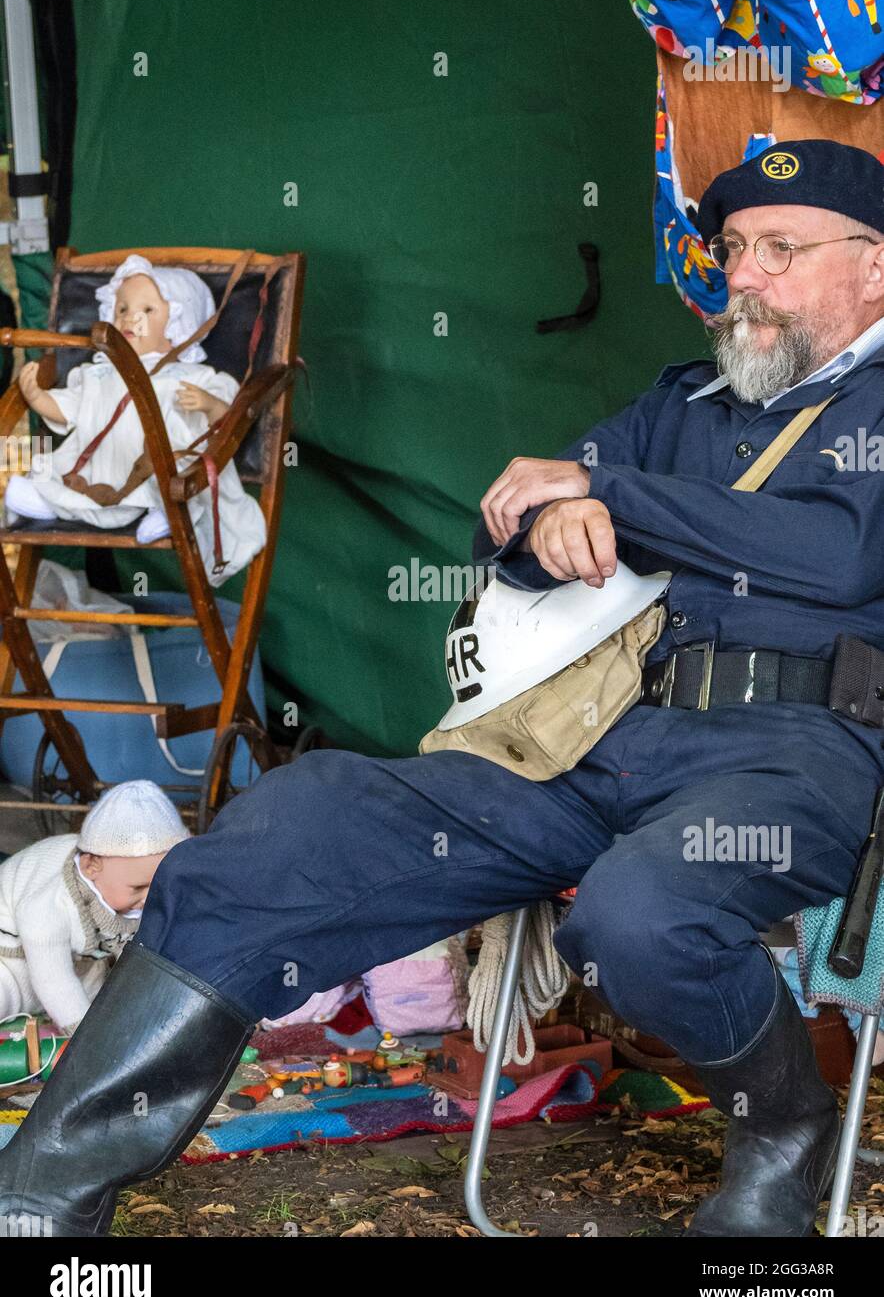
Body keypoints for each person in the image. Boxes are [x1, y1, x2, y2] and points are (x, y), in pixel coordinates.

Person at [1, 138, 883, 1238]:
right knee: (285, 828)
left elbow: (836, 554)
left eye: (778, 251)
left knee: (642, 916)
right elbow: (509, 513)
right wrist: (549, 522)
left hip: (787, 750)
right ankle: (38, 1197)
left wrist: (609, 492)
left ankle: (785, 1127)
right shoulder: (682, 403)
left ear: (872, 270)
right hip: (584, 738)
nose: (740, 276)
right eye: (735, 248)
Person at [3, 253, 267, 587]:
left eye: (147, 311)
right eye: (122, 309)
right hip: (100, 465)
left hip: (157, 470)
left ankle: (167, 511)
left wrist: (208, 403)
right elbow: (71, 409)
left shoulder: (191, 375)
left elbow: (229, 419)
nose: (130, 319)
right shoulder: (100, 372)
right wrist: (40, 399)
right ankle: (48, 499)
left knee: (172, 461)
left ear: (178, 325)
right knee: (53, 468)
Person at [0, 780, 189, 1034]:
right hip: (12, 957)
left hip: (79, 958)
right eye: (137, 888)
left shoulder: (122, 888)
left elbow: (139, 953)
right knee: (14, 994)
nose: (148, 897)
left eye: (157, 886)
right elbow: (53, 978)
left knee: (109, 997)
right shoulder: (50, 903)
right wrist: (84, 1035)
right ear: (91, 866)